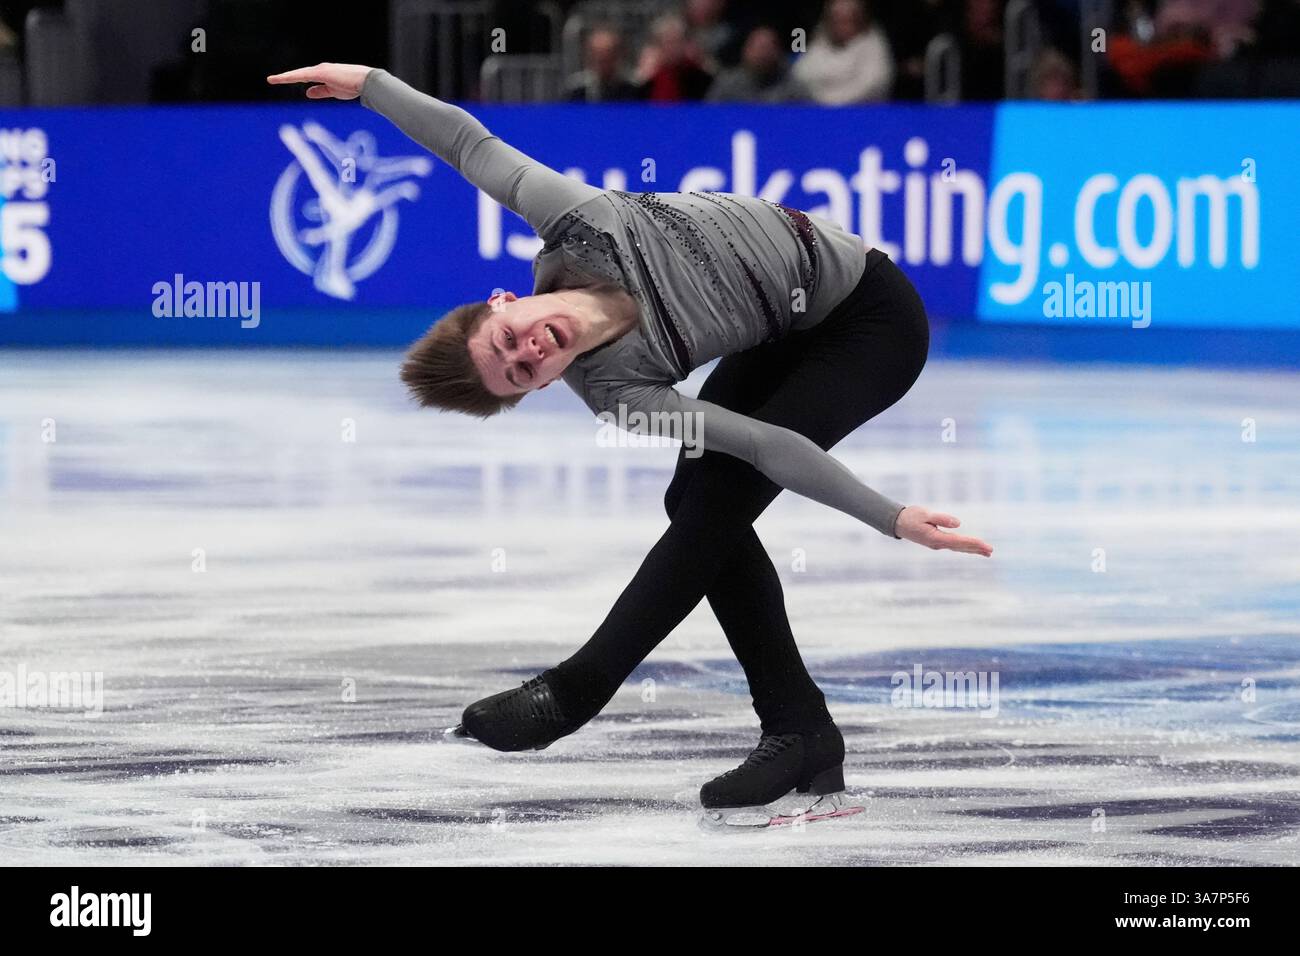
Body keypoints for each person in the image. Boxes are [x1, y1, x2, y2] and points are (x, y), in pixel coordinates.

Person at [267, 63, 992, 820]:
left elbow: (468, 145)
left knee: (708, 505)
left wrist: (372, 84)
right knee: (699, 499)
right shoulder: (620, 395)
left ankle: (583, 691)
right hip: (785, 331)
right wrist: (891, 514)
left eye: (510, 337)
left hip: (871, 318)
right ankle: (800, 729)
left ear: (504, 301)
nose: (531, 349)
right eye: (520, 372)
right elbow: (763, 443)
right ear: (538, 389)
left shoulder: (578, 221)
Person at [792, 0, 895, 104]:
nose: (840, 26)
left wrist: (832, 99)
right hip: (819, 111)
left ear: (859, 20)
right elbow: (801, 74)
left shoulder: (874, 43)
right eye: (835, 20)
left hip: (863, 113)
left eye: (846, 20)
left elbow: (873, 85)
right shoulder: (820, 39)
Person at [707, 25, 808, 103]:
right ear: (745, 51)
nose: (762, 54)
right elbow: (709, 115)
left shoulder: (791, 87)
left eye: (767, 48)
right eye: (758, 48)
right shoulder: (727, 84)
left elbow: (810, 115)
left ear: (778, 52)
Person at [563, 24, 640, 103]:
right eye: (596, 55)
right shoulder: (576, 91)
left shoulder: (633, 91)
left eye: (607, 55)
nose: (601, 60)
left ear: (618, 55)